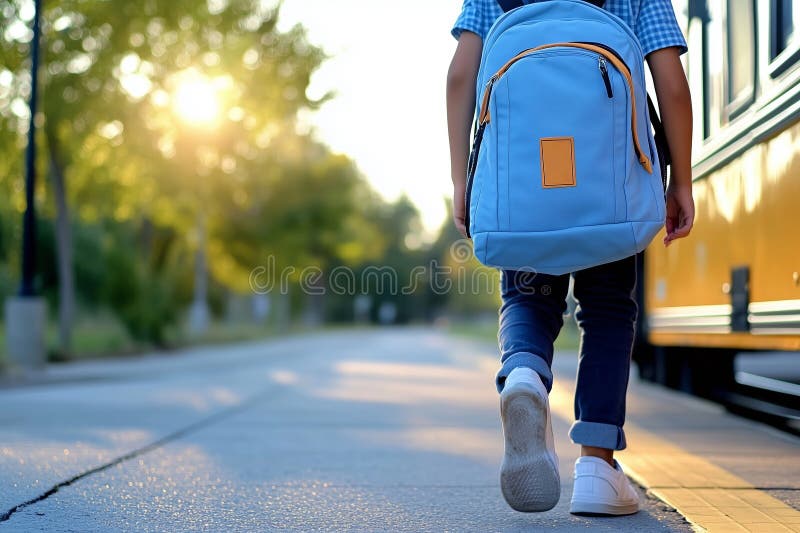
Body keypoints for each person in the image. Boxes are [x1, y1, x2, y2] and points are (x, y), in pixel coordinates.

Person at [446, 0, 695, 516]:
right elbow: (671, 83)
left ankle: (523, 375)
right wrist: (681, 182)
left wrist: (462, 181)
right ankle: (598, 468)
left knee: (526, 298)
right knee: (607, 311)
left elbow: (460, 77)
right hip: (607, 187)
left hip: (525, 186)